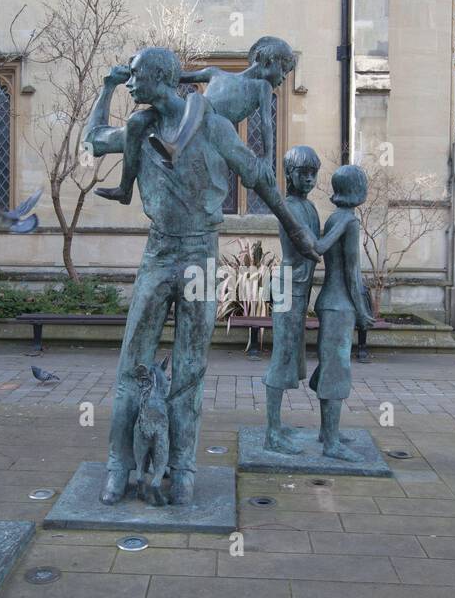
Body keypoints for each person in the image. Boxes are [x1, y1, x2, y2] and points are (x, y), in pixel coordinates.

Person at [82, 47, 318, 505]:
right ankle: (119, 466)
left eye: (134, 77)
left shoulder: (213, 125)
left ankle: (183, 469)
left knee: (189, 369)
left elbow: (261, 178)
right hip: (159, 251)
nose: (131, 84)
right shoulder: (141, 127)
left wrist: (295, 229)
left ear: (159, 77)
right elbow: (93, 138)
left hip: (200, 255)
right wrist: (107, 86)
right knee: (133, 363)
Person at [95, 36, 297, 204]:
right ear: (268, 61)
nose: (284, 77)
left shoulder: (262, 87)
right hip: (192, 117)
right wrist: (140, 69)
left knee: (195, 98)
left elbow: (266, 123)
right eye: (284, 69)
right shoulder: (215, 73)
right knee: (136, 122)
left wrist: (266, 159)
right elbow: (178, 76)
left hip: (211, 122)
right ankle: (125, 188)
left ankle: (174, 147)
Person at [309, 164, 375, 462]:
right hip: (340, 305)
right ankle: (332, 442)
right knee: (337, 373)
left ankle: (327, 432)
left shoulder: (336, 217)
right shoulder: (348, 222)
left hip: (331, 302)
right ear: (356, 189)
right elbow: (352, 272)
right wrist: (362, 311)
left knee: (331, 367)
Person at [262, 145, 322, 453]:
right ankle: (272, 432)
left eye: (314, 173)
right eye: (303, 173)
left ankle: (276, 425)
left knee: (290, 357)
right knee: (281, 358)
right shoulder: (290, 207)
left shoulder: (309, 207)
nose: (310, 179)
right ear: (289, 174)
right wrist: (345, 225)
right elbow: (312, 246)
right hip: (289, 287)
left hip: (300, 289)